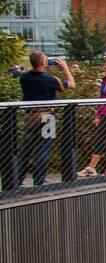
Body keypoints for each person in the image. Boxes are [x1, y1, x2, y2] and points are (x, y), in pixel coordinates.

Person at [16, 51, 74, 188]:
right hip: (47, 117)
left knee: (26, 149)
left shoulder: (24, 78)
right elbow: (71, 84)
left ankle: (16, 179)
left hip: (30, 116)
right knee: (43, 148)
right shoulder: (48, 79)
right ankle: (39, 180)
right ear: (42, 63)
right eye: (46, 60)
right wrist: (65, 68)